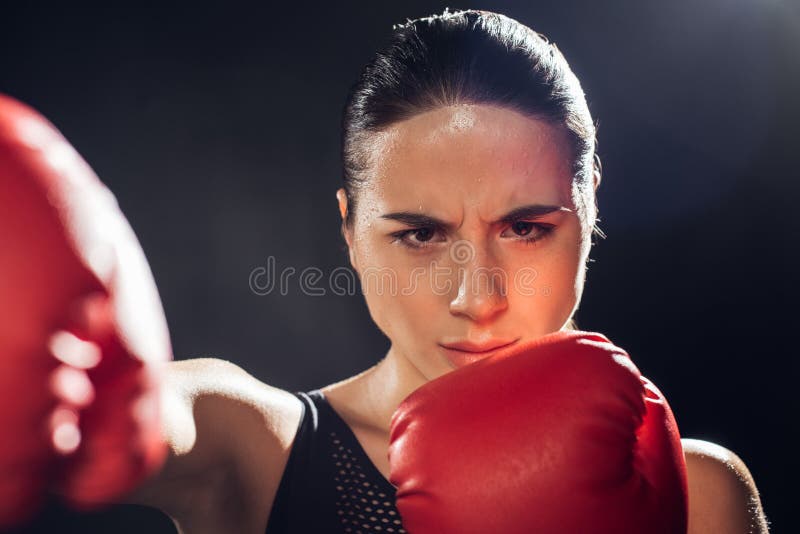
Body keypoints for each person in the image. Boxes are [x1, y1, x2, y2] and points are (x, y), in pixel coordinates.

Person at [0, 8, 768, 534]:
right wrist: (104, 397)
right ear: (350, 231)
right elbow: (176, 415)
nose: (477, 296)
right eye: (421, 234)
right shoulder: (258, 449)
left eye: (526, 228)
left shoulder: (699, 497)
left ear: (589, 206)